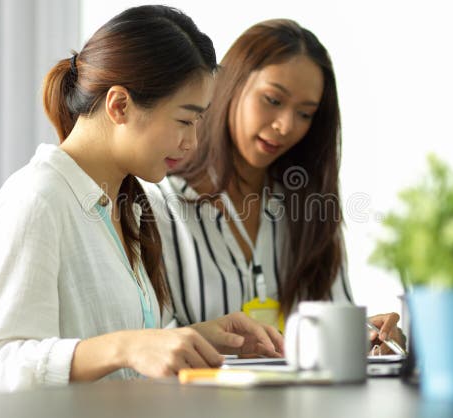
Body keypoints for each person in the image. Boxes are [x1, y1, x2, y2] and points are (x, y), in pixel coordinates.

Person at [0, 5, 282, 395]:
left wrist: (197, 339)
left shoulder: (125, 207)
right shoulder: (37, 201)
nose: (192, 142)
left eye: (198, 123)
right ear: (119, 105)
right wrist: (125, 347)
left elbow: (110, 362)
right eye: (183, 120)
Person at [143, 19, 405, 354]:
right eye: (273, 100)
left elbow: (335, 324)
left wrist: (371, 340)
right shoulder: (158, 205)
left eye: (306, 114)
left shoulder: (312, 209)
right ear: (228, 86)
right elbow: (151, 346)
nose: (285, 126)